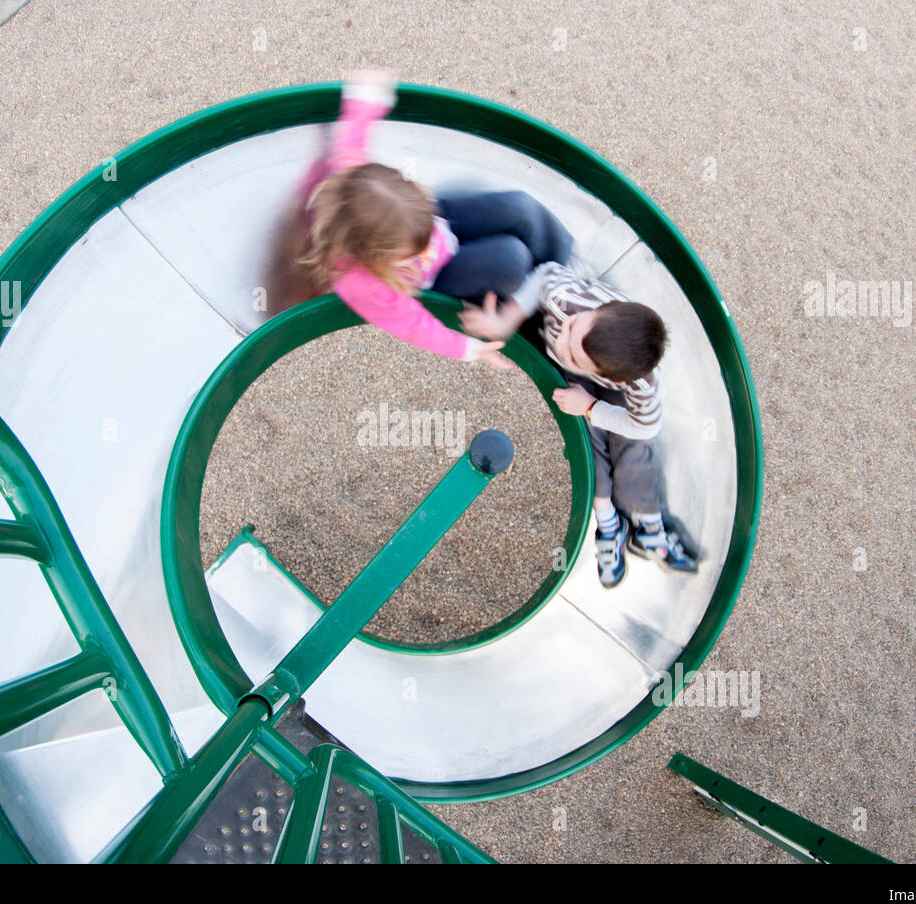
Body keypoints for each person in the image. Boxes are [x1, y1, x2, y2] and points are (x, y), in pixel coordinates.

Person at [291, 68, 572, 367]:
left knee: (521, 207)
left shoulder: (353, 182)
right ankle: (535, 307)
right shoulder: (362, 282)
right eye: (408, 253)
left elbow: (351, 138)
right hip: (436, 272)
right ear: (373, 255)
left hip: (440, 224)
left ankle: (562, 271)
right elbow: (411, 325)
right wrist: (466, 349)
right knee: (510, 259)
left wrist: (367, 94)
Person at [461, 262, 699, 585]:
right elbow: (544, 275)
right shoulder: (567, 303)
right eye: (572, 330)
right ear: (594, 313)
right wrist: (507, 319)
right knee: (588, 444)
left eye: (572, 353)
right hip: (579, 379)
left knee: (631, 446)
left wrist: (592, 406)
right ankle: (608, 520)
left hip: (604, 388)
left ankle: (649, 527)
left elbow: (645, 426)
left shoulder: (640, 382)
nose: (562, 345)